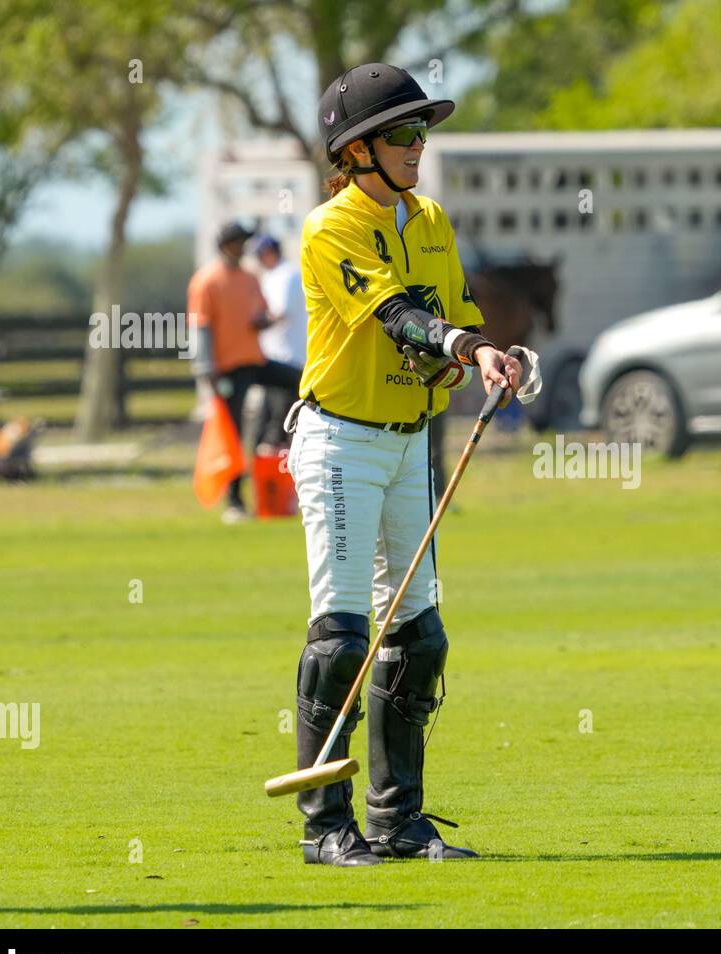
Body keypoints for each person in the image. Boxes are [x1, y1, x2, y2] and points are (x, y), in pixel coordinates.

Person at [285, 62, 521, 866]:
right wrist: (456, 342)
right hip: (341, 442)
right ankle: (325, 826)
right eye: (401, 133)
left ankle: (397, 821)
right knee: (344, 635)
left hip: (410, 442)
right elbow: (398, 315)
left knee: (420, 636)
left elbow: (457, 312)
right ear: (355, 151)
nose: (418, 146)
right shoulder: (331, 228)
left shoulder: (432, 220)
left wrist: (488, 351)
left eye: (422, 130)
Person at [187, 221, 303, 521]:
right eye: (240, 242)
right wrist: (205, 369)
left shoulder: (251, 277)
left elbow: (261, 314)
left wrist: (267, 320)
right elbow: (201, 328)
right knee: (234, 435)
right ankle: (235, 502)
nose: (245, 248)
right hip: (227, 368)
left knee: (301, 382)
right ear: (226, 245)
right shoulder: (207, 280)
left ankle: (276, 437)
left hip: (255, 358)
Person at [252, 234, 306, 451]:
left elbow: (279, 312)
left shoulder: (288, 274)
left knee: (280, 419)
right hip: (274, 355)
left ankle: (278, 470)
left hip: (288, 357)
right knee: (269, 415)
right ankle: (265, 469)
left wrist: (251, 326)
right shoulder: (273, 275)